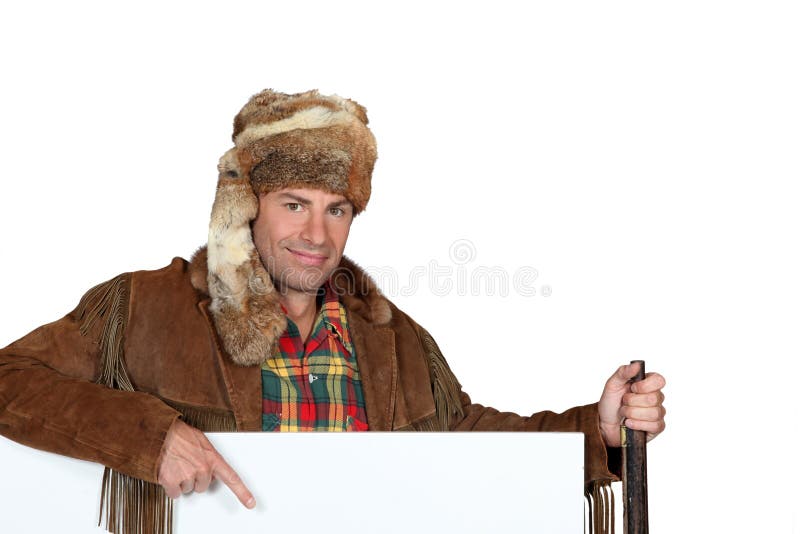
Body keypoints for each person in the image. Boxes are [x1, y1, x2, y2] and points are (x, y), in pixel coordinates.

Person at [0, 89, 666, 533]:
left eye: (336, 209)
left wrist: (598, 430)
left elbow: (465, 440)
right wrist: (150, 437)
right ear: (247, 202)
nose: (317, 236)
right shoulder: (143, 308)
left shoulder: (389, 337)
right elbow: (10, 382)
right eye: (295, 203)